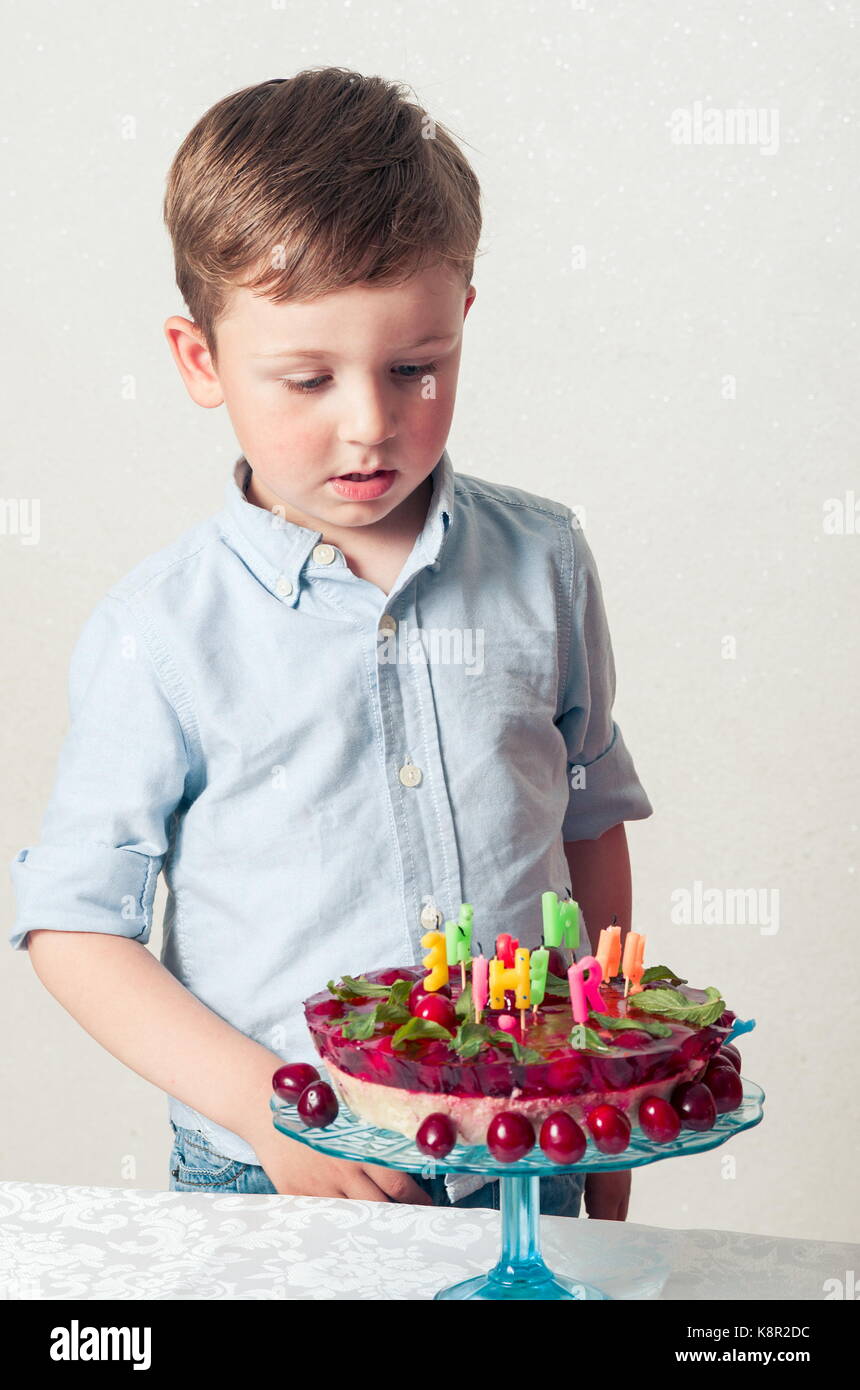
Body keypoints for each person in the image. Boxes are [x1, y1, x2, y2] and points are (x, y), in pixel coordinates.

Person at [8, 69, 652, 1220]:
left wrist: (599, 1141)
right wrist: (270, 1104)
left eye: (416, 367)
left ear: (462, 318)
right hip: (269, 1172)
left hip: (522, 1149)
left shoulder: (544, 561)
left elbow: (584, 825)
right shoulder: (158, 631)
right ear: (199, 361)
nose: (369, 421)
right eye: (306, 378)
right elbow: (74, 924)